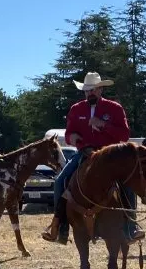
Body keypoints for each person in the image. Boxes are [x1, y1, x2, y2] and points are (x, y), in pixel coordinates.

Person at [42, 72, 140, 244]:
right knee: (60, 181)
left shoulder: (115, 108)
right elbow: (70, 132)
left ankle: (131, 226)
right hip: (84, 153)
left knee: (127, 184)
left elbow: (124, 135)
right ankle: (59, 226)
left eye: (93, 90)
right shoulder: (76, 109)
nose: (89, 93)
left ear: (101, 89)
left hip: (109, 155)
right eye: (86, 90)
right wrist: (73, 138)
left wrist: (103, 124)